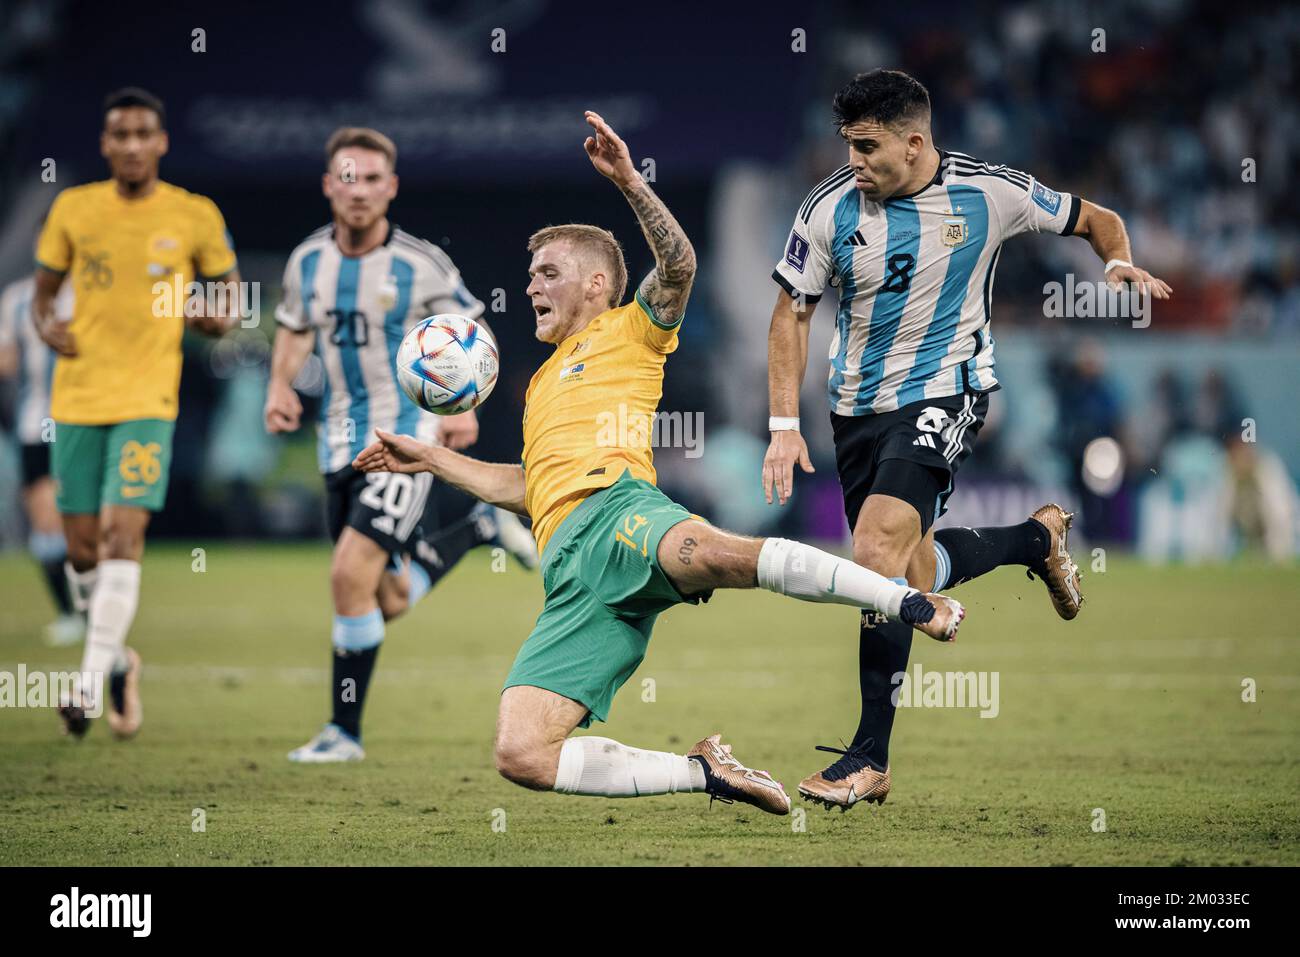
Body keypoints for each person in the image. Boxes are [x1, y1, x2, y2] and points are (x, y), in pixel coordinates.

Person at [353, 112, 964, 816]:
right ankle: (704, 770)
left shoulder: (632, 329)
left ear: (595, 283)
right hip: (568, 574)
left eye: (547, 272)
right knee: (521, 753)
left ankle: (904, 600)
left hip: (621, 516)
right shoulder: (542, 384)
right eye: (528, 275)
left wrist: (628, 181)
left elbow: (680, 265)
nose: (529, 287)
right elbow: (531, 489)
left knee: (713, 552)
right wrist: (428, 458)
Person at [762, 70, 1172, 809]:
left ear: (914, 142)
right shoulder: (827, 209)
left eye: (866, 146)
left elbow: (1096, 217)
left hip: (947, 390)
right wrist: (783, 426)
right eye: (847, 145)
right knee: (909, 576)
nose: (852, 161)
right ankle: (1034, 540)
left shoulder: (991, 192)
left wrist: (1114, 260)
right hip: (855, 410)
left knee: (877, 551)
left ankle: (868, 757)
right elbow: (791, 314)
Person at [266, 127, 538, 763]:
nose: (359, 190)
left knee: (346, 576)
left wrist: (462, 407)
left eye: (372, 179)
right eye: (347, 177)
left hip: (404, 439)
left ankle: (343, 733)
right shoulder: (307, 263)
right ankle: (477, 532)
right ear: (330, 185)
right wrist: (279, 384)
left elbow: (471, 331)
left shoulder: (420, 263)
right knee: (380, 598)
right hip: (337, 444)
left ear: (391, 188)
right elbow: (292, 329)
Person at [33, 87, 245, 739]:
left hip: (148, 398)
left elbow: (231, 302)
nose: (130, 145)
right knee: (82, 550)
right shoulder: (73, 207)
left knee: (125, 537)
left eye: (141, 134)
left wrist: (216, 320)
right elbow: (42, 296)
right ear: (105, 145)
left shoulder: (192, 214)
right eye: (118, 135)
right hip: (76, 396)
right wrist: (47, 327)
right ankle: (117, 657)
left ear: (161, 143)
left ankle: (86, 682)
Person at [0, 276, 82, 646]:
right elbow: (7, 360)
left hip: (84, 418)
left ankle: (89, 609)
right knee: (44, 520)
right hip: (37, 423)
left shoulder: (89, 292)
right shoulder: (17, 298)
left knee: (76, 517)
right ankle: (70, 612)